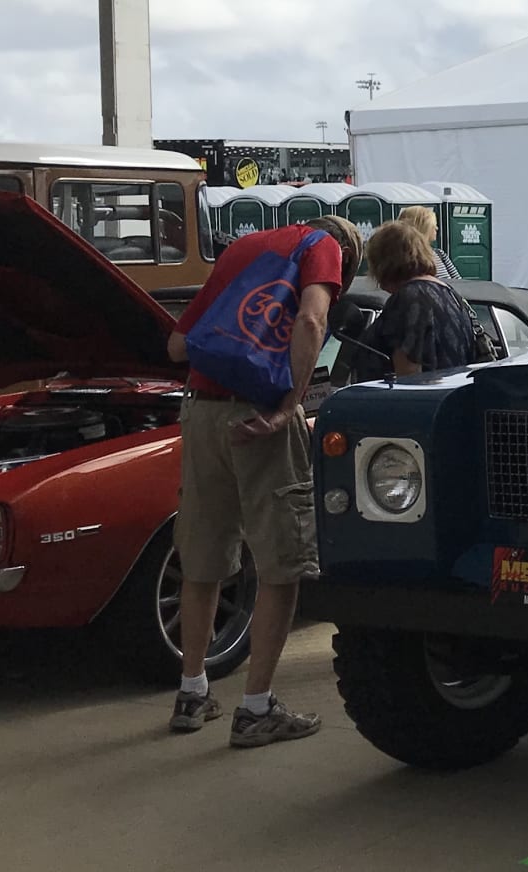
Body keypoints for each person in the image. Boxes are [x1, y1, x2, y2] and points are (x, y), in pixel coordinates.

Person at [165, 215, 362, 747]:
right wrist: (288, 406)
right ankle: (255, 710)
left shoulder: (241, 248)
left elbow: (177, 347)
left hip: (199, 411)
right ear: (344, 249)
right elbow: (312, 322)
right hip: (258, 417)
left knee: (202, 559)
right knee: (281, 563)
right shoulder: (322, 246)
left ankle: (192, 692)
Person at [358, 221, 489, 380]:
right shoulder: (450, 294)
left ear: (384, 262)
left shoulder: (408, 298)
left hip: (420, 401)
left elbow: (408, 371)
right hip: (450, 396)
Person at [397, 205, 461, 280]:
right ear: (422, 227)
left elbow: (460, 282)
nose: (436, 228)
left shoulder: (440, 254)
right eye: (433, 225)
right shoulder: (404, 260)